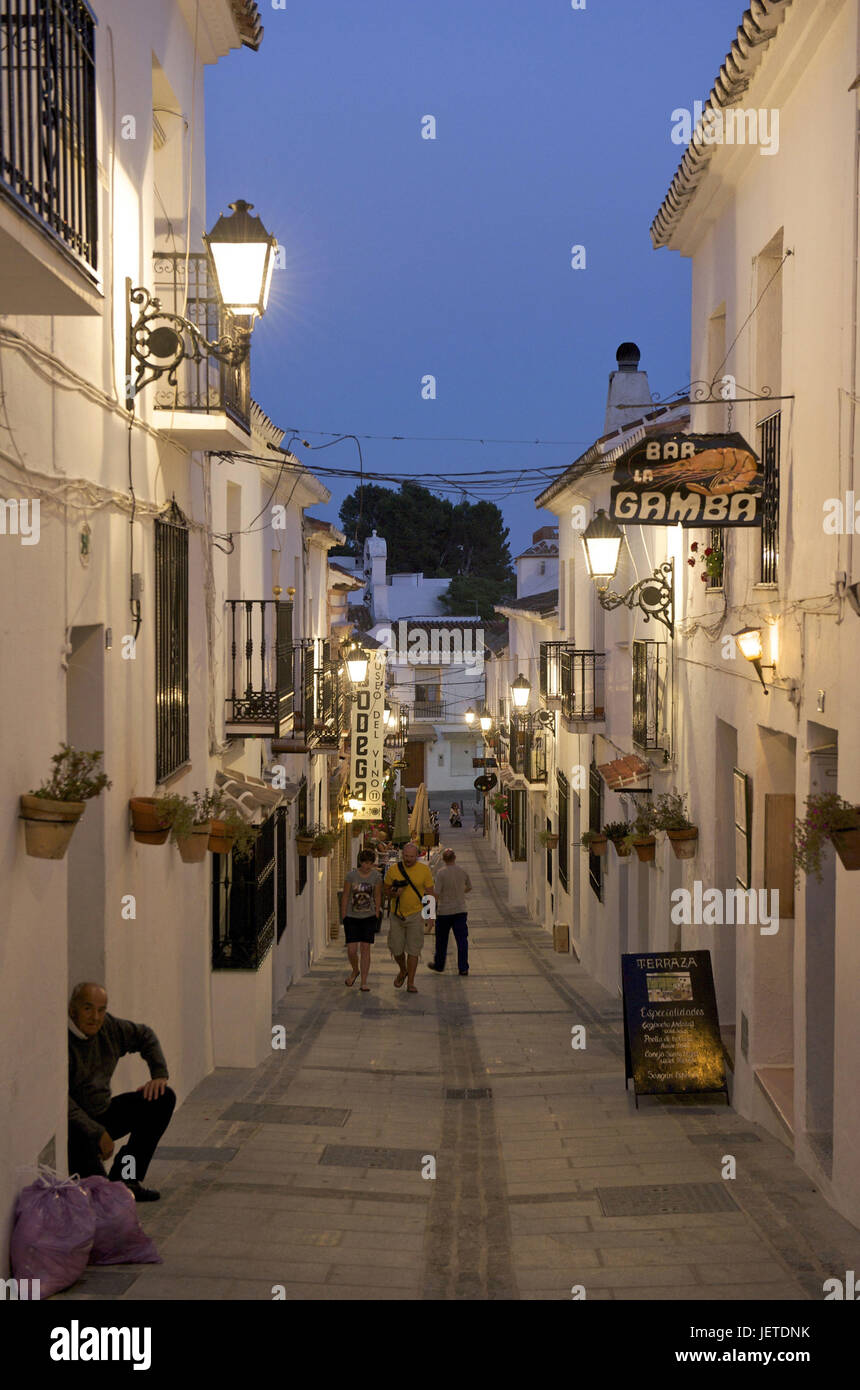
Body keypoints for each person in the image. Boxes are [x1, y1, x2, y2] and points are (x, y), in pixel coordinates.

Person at [67, 982, 175, 1202]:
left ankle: (127, 1177)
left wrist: (159, 1075)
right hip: (75, 1127)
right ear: (73, 1010)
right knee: (106, 1199)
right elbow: (61, 1100)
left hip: (103, 1113)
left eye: (101, 1009)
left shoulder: (110, 1028)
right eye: (87, 1008)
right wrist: (98, 1133)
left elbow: (145, 1036)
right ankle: (105, 1186)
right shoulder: (62, 1042)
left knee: (162, 1098)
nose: (95, 1017)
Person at [383, 841, 435, 994]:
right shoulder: (394, 870)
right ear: (402, 855)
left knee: (413, 950)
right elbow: (386, 890)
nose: (408, 859)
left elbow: (430, 893)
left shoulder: (424, 870)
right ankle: (403, 970)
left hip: (415, 914)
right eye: (406, 856)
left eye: (411, 856)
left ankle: (410, 982)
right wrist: (394, 893)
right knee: (396, 948)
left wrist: (430, 917)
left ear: (417, 856)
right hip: (397, 914)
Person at [340, 849, 383, 991]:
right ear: (360, 862)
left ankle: (364, 981)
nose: (367, 866)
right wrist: (343, 914)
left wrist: (376, 912)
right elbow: (346, 895)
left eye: (370, 863)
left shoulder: (376, 877)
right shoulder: (351, 876)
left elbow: (377, 895)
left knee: (365, 948)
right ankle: (355, 970)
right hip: (352, 917)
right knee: (352, 950)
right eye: (365, 863)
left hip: (368, 917)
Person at [427, 848, 472, 976]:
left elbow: (436, 893)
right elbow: (469, 887)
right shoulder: (462, 871)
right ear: (455, 858)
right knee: (462, 940)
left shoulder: (441, 873)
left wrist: (431, 911)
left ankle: (439, 965)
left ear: (443, 859)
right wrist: (460, 893)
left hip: (444, 911)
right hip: (460, 910)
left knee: (441, 940)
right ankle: (463, 967)